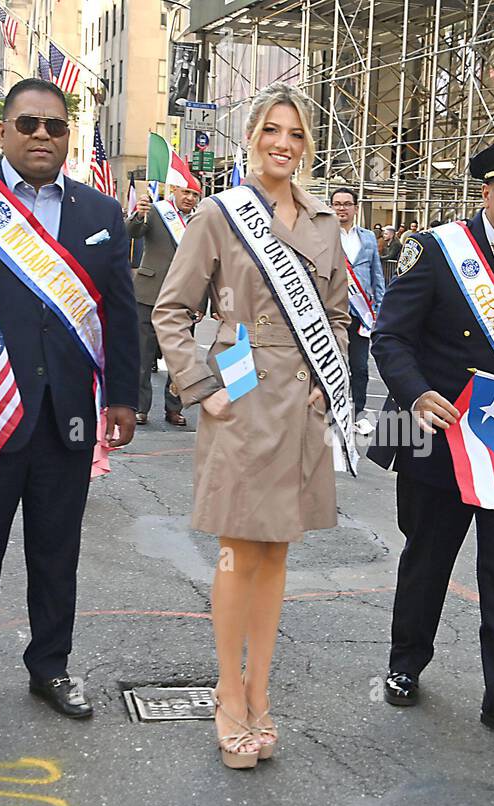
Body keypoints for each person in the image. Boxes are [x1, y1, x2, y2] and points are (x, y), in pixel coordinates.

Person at [0, 78, 139, 726]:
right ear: (3, 132)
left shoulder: (100, 214)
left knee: (57, 555)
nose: (42, 135)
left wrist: (124, 396)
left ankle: (50, 668)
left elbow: (119, 314)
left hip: (66, 417)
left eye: (55, 126)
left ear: (67, 136)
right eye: (29, 124)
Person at [152, 82, 354, 769]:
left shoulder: (324, 221)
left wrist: (329, 384)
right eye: (271, 129)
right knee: (238, 551)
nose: (282, 144)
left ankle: (261, 693)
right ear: (250, 137)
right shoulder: (221, 213)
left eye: (295, 134)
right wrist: (201, 388)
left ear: (307, 146)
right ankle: (229, 694)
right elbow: (172, 310)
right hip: (241, 397)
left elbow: (337, 318)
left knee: (276, 554)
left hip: (301, 405)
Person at [368, 137, 494, 751]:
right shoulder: (437, 250)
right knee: (428, 559)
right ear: (486, 192)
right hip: (443, 438)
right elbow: (391, 337)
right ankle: (406, 663)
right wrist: (415, 394)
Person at [129, 174, 202, 426]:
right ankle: (140, 407)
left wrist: (201, 302)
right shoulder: (157, 212)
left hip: (184, 298)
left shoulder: (201, 220)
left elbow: (206, 263)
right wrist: (139, 214)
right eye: (186, 192)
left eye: (194, 194)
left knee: (179, 359)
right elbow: (132, 232)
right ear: (174, 190)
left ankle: (174, 408)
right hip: (149, 293)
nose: (189, 198)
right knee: (143, 355)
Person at [331, 185, 386, 436]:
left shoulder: (368, 237)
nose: (341, 208)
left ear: (355, 207)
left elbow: (377, 275)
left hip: (362, 315)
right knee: (333, 366)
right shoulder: (323, 235)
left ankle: (359, 414)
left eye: (346, 204)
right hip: (333, 313)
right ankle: (332, 413)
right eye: (337, 204)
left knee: (360, 368)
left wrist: (379, 310)